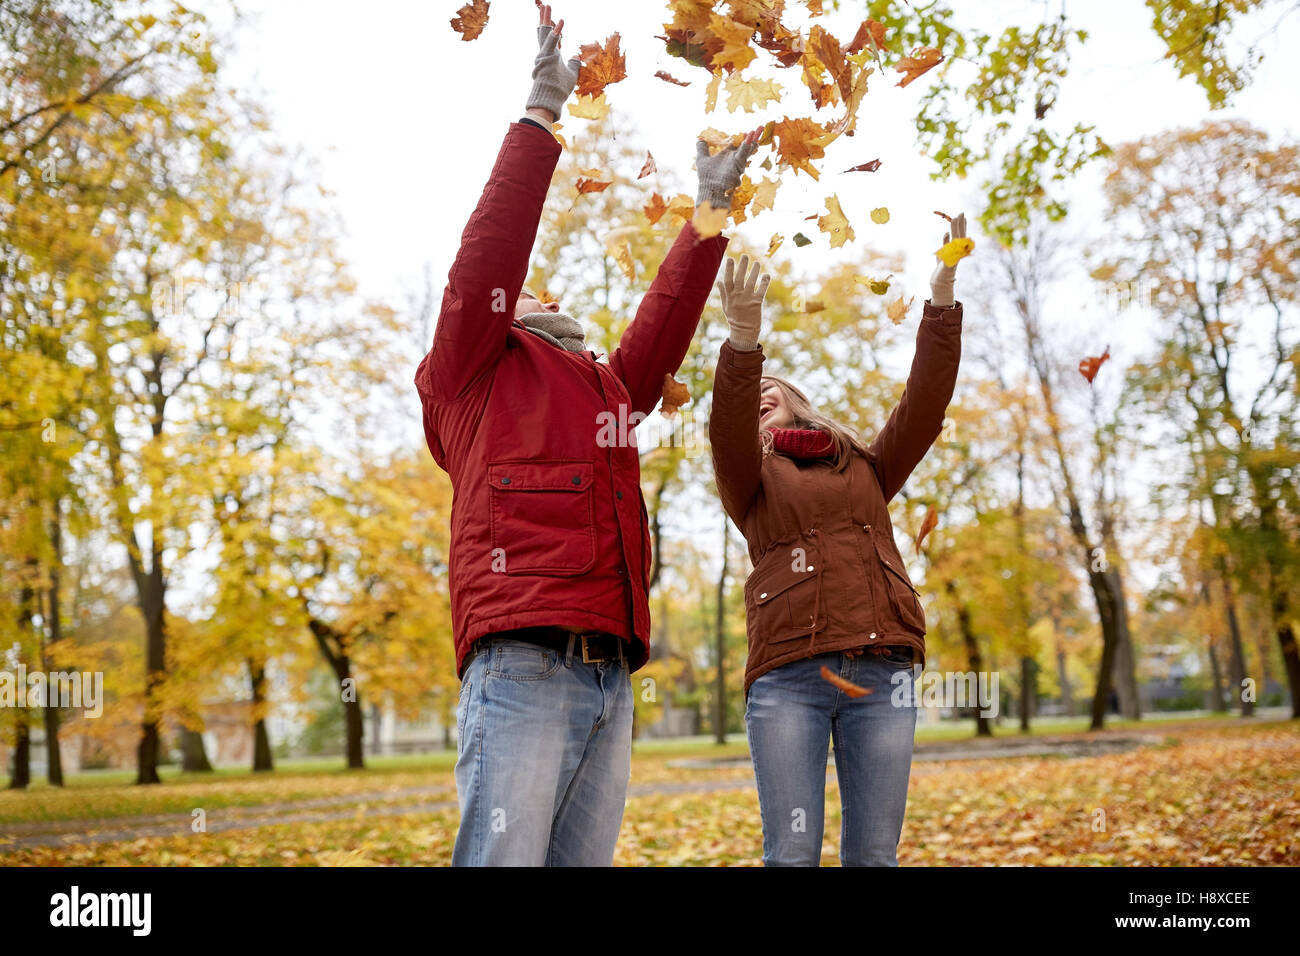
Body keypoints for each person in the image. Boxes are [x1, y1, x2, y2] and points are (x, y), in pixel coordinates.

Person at [414, 3, 757, 866]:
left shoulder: (601, 385)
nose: (535, 287)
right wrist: (540, 114)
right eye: (524, 289)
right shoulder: (469, 371)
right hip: (523, 661)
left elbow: (662, 324)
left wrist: (710, 210)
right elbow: (489, 255)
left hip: (610, 668)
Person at [707, 214, 968, 866]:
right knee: (792, 854)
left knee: (874, 857)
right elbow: (726, 426)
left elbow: (927, 404)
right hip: (790, 676)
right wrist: (744, 342)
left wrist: (941, 298)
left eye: (773, 390)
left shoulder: (868, 467)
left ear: (800, 402)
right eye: (754, 395)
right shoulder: (750, 476)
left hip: (884, 675)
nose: (761, 396)